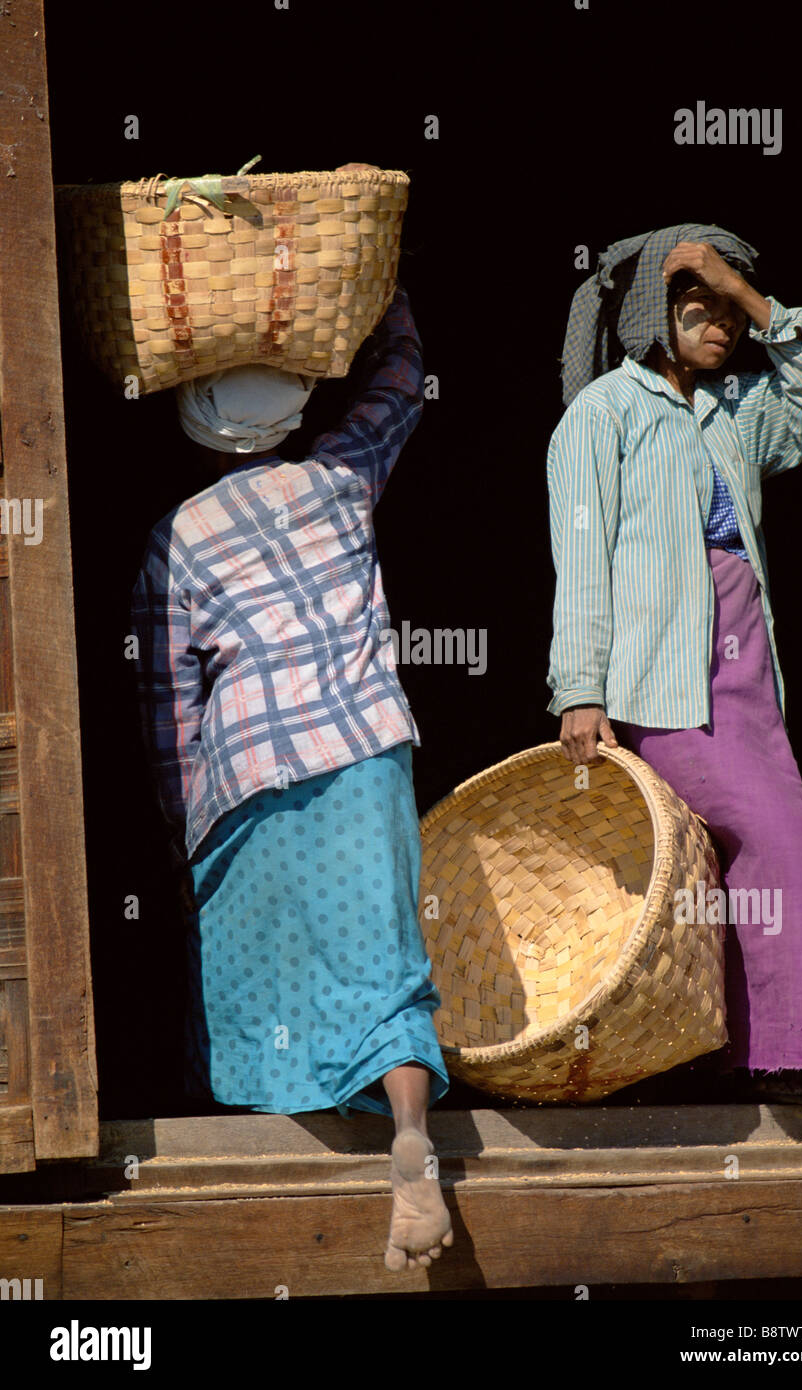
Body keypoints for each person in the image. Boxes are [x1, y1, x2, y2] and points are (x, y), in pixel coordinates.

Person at [131, 279, 453, 1272]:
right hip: (362, 757)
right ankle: (409, 1138)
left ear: (189, 427)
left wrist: (179, 820)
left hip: (247, 783)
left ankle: (278, 1154)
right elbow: (403, 384)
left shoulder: (174, 541)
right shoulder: (339, 479)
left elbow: (167, 706)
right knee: (385, 965)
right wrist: (385, 293)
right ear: (296, 409)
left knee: (262, 980)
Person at [547, 223, 802, 1103]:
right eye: (698, 306)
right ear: (654, 313)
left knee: (737, 866)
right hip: (664, 686)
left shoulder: (734, 411)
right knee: (787, 850)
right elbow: (583, 563)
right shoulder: (602, 413)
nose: (720, 324)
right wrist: (581, 690)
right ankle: (788, 1056)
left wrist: (749, 295)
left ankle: (747, 1057)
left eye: (729, 310)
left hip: (746, 679)